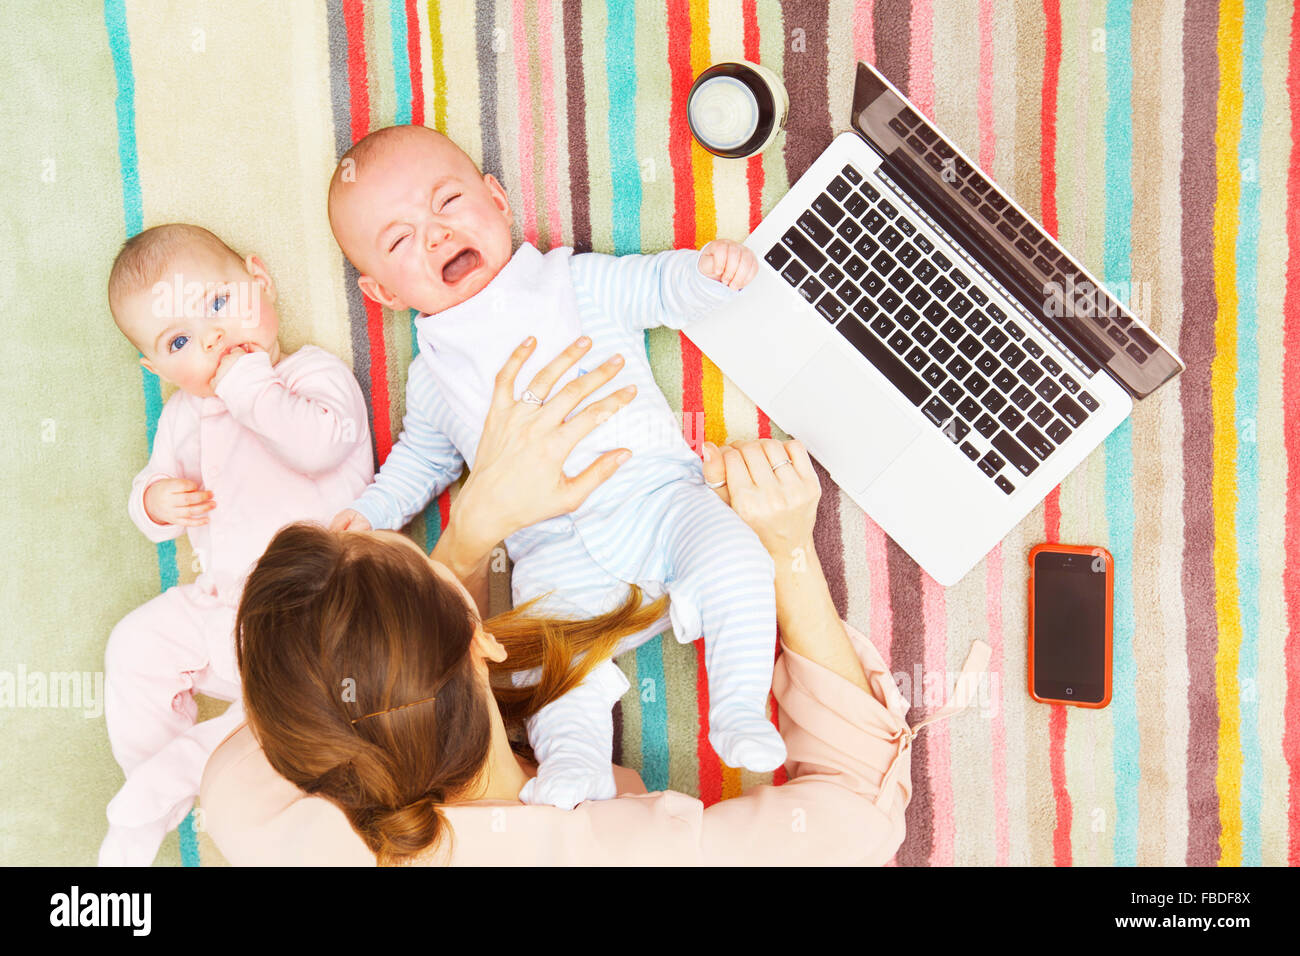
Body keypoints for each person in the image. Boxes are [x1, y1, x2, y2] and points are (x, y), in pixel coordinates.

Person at [198, 336, 990, 865]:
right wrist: (784, 549)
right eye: (426, 551)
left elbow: (301, 723)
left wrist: (470, 537)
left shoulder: (258, 817)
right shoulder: (625, 850)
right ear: (482, 637)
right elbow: (857, 815)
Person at [325, 124, 784, 810]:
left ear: (498, 199)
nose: (434, 235)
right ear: (383, 294)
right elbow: (420, 461)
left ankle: (740, 707)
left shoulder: (575, 280)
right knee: (541, 666)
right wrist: (371, 513)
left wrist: (706, 274)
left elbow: (657, 287)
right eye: (398, 240)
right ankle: (574, 762)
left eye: (448, 203)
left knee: (739, 561)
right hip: (553, 552)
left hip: (659, 502)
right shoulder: (432, 378)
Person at [100, 224, 375, 865]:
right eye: (180, 340)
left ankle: (169, 789)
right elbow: (153, 488)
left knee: (257, 722)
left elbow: (320, 445)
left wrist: (247, 385)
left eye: (219, 306)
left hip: (319, 609)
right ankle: (161, 783)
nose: (214, 340)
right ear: (158, 368)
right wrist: (155, 502)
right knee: (135, 648)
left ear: (260, 281)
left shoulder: (312, 374)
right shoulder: (182, 417)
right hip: (223, 608)